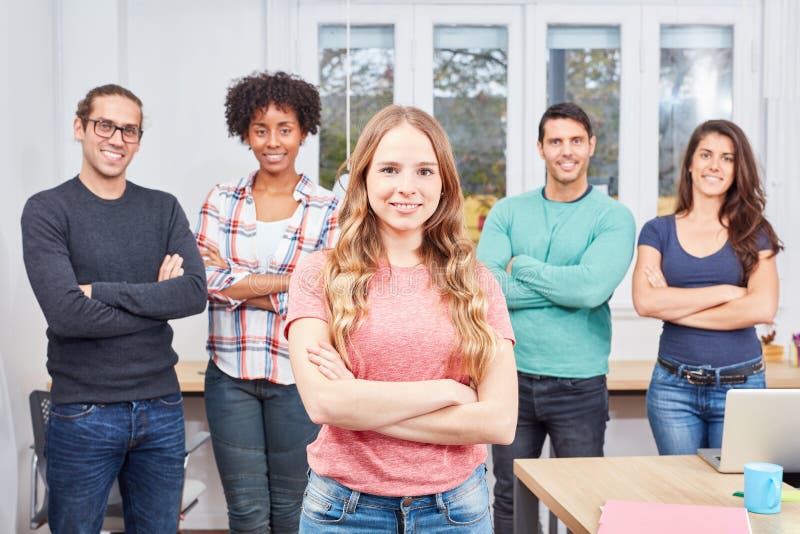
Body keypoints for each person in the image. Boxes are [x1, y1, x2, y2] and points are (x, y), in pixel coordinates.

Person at [285, 104, 517, 533]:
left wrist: (357, 400)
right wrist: (449, 391)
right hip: (343, 512)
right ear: (364, 178)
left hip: (455, 512)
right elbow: (323, 403)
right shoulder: (320, 273)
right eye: (389, 169)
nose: (406, 187)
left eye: (425, 171)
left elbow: (499, 422)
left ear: (444, 181)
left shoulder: (477, 281)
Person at [21, 84, 207, 533]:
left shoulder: (163, 209)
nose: (117, 138)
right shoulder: (47, 210)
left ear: (139, 139)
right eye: (105, 125)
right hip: (84, 411)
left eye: (130, 130)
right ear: (79, 128)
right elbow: (66, 314)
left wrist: (99, 291)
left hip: (161, 407)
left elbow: (193, 294)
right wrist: (154, 302)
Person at [476, 102, 636, 533]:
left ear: (591, 146)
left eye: (576, 141)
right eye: (556, 141)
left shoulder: (613, 217)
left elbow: (590, 290)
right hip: (510, 377)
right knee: (509, 495)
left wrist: (521, 265)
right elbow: (485, 289)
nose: (567, 151)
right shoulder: (508, 211)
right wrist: (563, 288)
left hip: (579, 385)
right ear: (541, 148)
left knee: (581, 498)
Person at [195, 71, 339, 534]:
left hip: (298, 378)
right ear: (245, 133)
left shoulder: (328, 208)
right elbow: (205, 282)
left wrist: (241, 287)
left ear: (303, 131)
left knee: (294, 513)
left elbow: (327, 296)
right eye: (261, 130)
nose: (272, 141)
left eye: (284, 129)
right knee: (247, 514)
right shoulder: (221, 200)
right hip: (230, 378)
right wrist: (290, 282)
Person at [632, 119, 781, 455]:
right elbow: (644, 301)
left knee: (735, 496)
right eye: (706, 155)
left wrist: (672, 305)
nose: (715, 165)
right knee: (682, 499)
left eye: (727, 158)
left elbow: (761, 309)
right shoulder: (657, 231)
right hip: (673, 390)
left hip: (742, 387)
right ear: (690, 163)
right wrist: (728, 292)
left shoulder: (756, 231)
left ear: (736, 169)